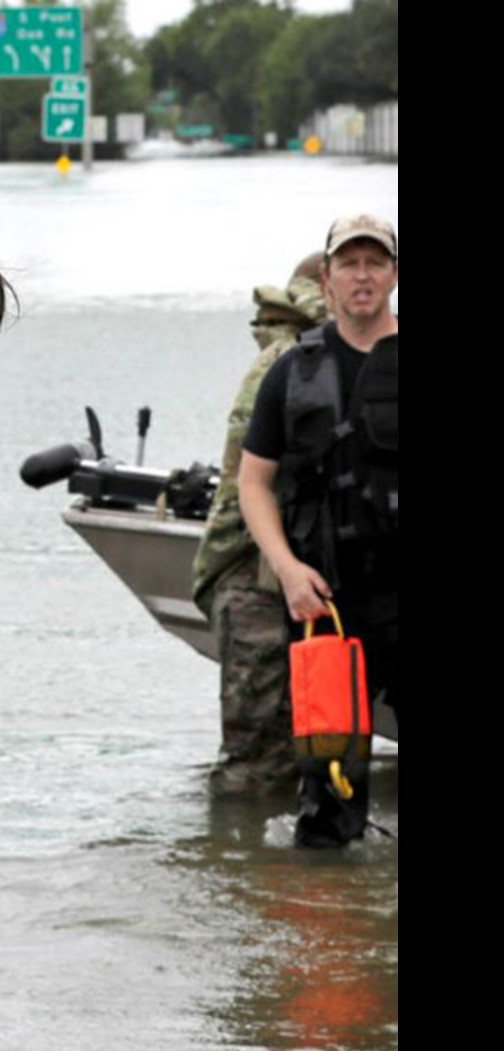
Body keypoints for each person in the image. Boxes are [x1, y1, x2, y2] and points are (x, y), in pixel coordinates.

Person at [237, 213, 398, 848]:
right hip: (325, 602)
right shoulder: (292, 370)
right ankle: (331, 925)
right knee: (329, 787)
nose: (363, 276)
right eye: (350, 265)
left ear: (392, 274)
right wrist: (286, 569)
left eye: (376, 263)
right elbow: (254, 483)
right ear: (327, 278)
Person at [191, 254, 328, 796]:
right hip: (258, 584)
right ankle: (247, 862)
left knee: (311, 750)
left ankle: (251, 873)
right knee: (258, 767)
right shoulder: (289, 363)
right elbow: (243, 485)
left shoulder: (306, 357)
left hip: (285, 580)